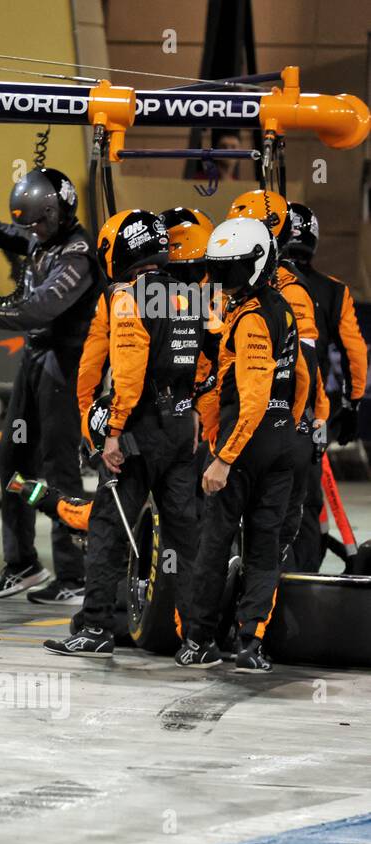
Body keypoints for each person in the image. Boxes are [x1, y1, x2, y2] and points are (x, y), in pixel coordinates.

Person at [0, 167, 103, 604]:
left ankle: (73, 573)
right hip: (35, 359)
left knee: (58, 467)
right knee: (13, 460)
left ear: (59, 211)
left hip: (66, 367)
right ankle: (22, 563)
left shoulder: (78, 254)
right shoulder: (41, 237)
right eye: (29, 224)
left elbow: (35, 312)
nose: (32, 231)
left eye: (39, 222)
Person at [45, 210, 205, 657]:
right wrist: (191, 410)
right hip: (181, 428)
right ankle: (197, 638)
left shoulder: (124, 297)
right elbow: (204, 361)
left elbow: (122, 372)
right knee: (185, 536)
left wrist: (107, 430)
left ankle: (95, 627)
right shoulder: (191, 296)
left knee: (108, 527)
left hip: (137, 430)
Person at [179, 218, 308, 673]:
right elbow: (303, 380)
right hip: (281, 445)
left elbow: (251, 395)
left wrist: (223, 458)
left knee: (214, 544)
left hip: (245, 449)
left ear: (254, 264)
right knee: (264, 547)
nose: (221, 278)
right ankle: (251, 643)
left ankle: (198, 642)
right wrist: (287, 427)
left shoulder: (251, 317)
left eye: (229, 268)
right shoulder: (284, 309)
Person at [225, 191, 328, 573]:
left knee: (285, 522)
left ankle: (294, 599)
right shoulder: (242, 285)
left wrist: (309, 419)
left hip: (284, 421)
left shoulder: (290, 287)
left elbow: (306, 361)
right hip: (258, 420)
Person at [280, 202, 368, 568]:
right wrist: (353, 404)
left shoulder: (263, 285)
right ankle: (303, 577)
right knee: (306, 496)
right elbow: (355, 353)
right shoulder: (335, 291)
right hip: (315, 413)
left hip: (261, 405)